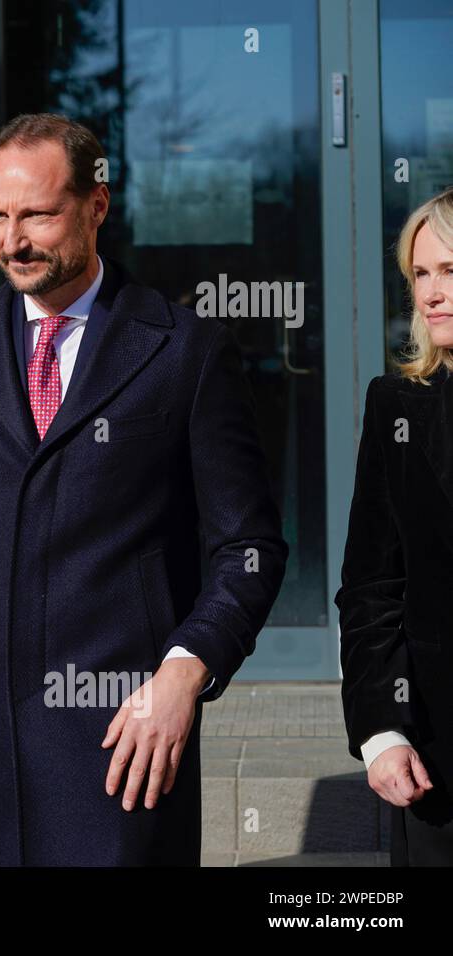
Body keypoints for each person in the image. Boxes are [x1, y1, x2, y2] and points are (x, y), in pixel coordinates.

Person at [0, 113, 287, 865]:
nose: (13, 240)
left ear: (97, 206)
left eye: (37, 213)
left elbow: (249, 546)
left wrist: (183, 676)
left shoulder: (184, 349)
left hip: (125, 743)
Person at [337, 186, 453, 866]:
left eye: (450, 270)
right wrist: (381, 729)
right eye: (421, 273)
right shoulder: (396, 406)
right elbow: (370, 588)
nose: (432, 292)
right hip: (436, 757)